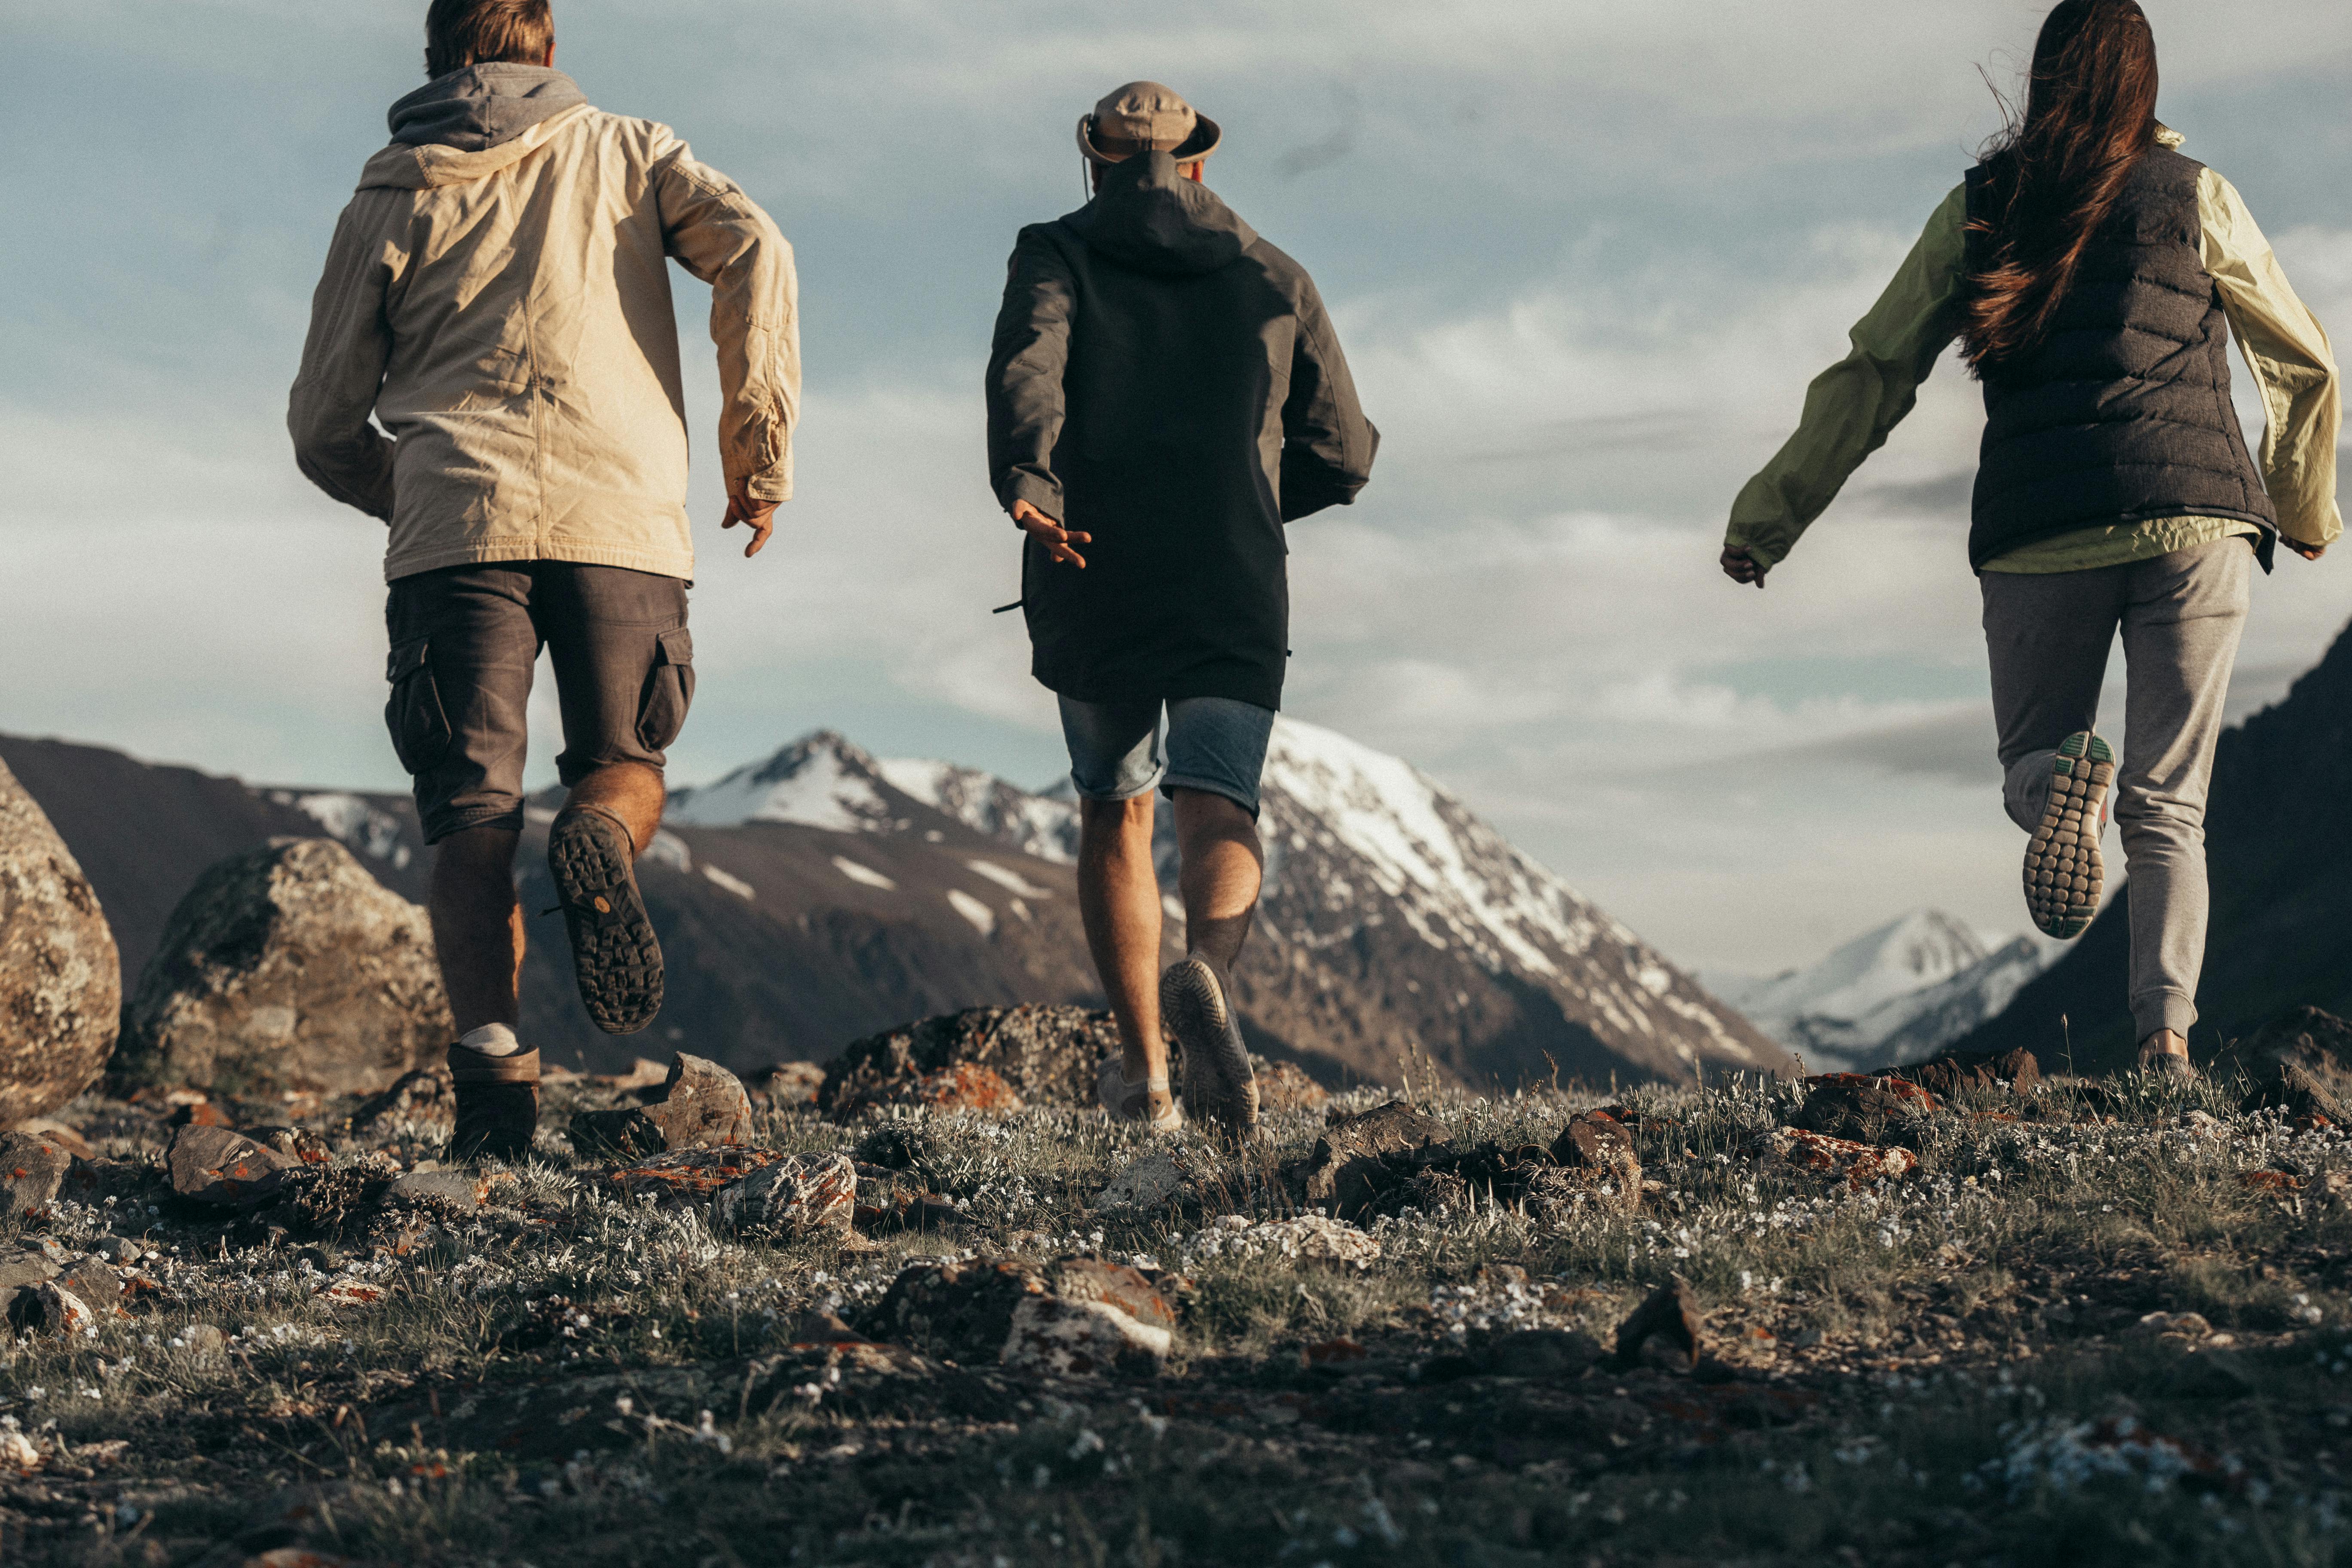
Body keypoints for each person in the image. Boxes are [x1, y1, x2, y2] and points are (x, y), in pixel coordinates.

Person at [1722, 0, 2339, 1076]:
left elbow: (1877, 369)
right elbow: (2303, 362)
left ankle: (2061, 782)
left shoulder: (1979, 209)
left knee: (2033, 764)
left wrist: (1769, 518)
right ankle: (2165, 1043)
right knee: (2168, 806)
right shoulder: (2198, 197)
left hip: (2037, 528)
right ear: (2145, 86)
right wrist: (2304, 505)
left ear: (2043, 78)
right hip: (2195, 519)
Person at [288, 0, 799, 1157]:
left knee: (470, 813)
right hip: (620, 515)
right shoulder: (634, 152)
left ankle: (495, 1092)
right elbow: (755, 247)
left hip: (454, 532)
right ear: (550, 51)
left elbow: (323, 420)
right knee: (625, 765)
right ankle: (604, 840)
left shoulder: (390, 190)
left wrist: (414, 490)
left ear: (436, 56)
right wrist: (755, 455)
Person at [986, 83, 1377, 1132]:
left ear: (1096, 161)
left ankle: (1148, 1077)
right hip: (1231, 574)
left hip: (1092, 564)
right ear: (1199, 161)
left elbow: (1032, 363)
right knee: (1220, 802)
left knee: (1117, 810)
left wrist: (1033, 481)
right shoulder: (1273, 272)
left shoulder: (1055, 252)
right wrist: (1251, 500)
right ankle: (1207, 970)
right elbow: (1345, 454)